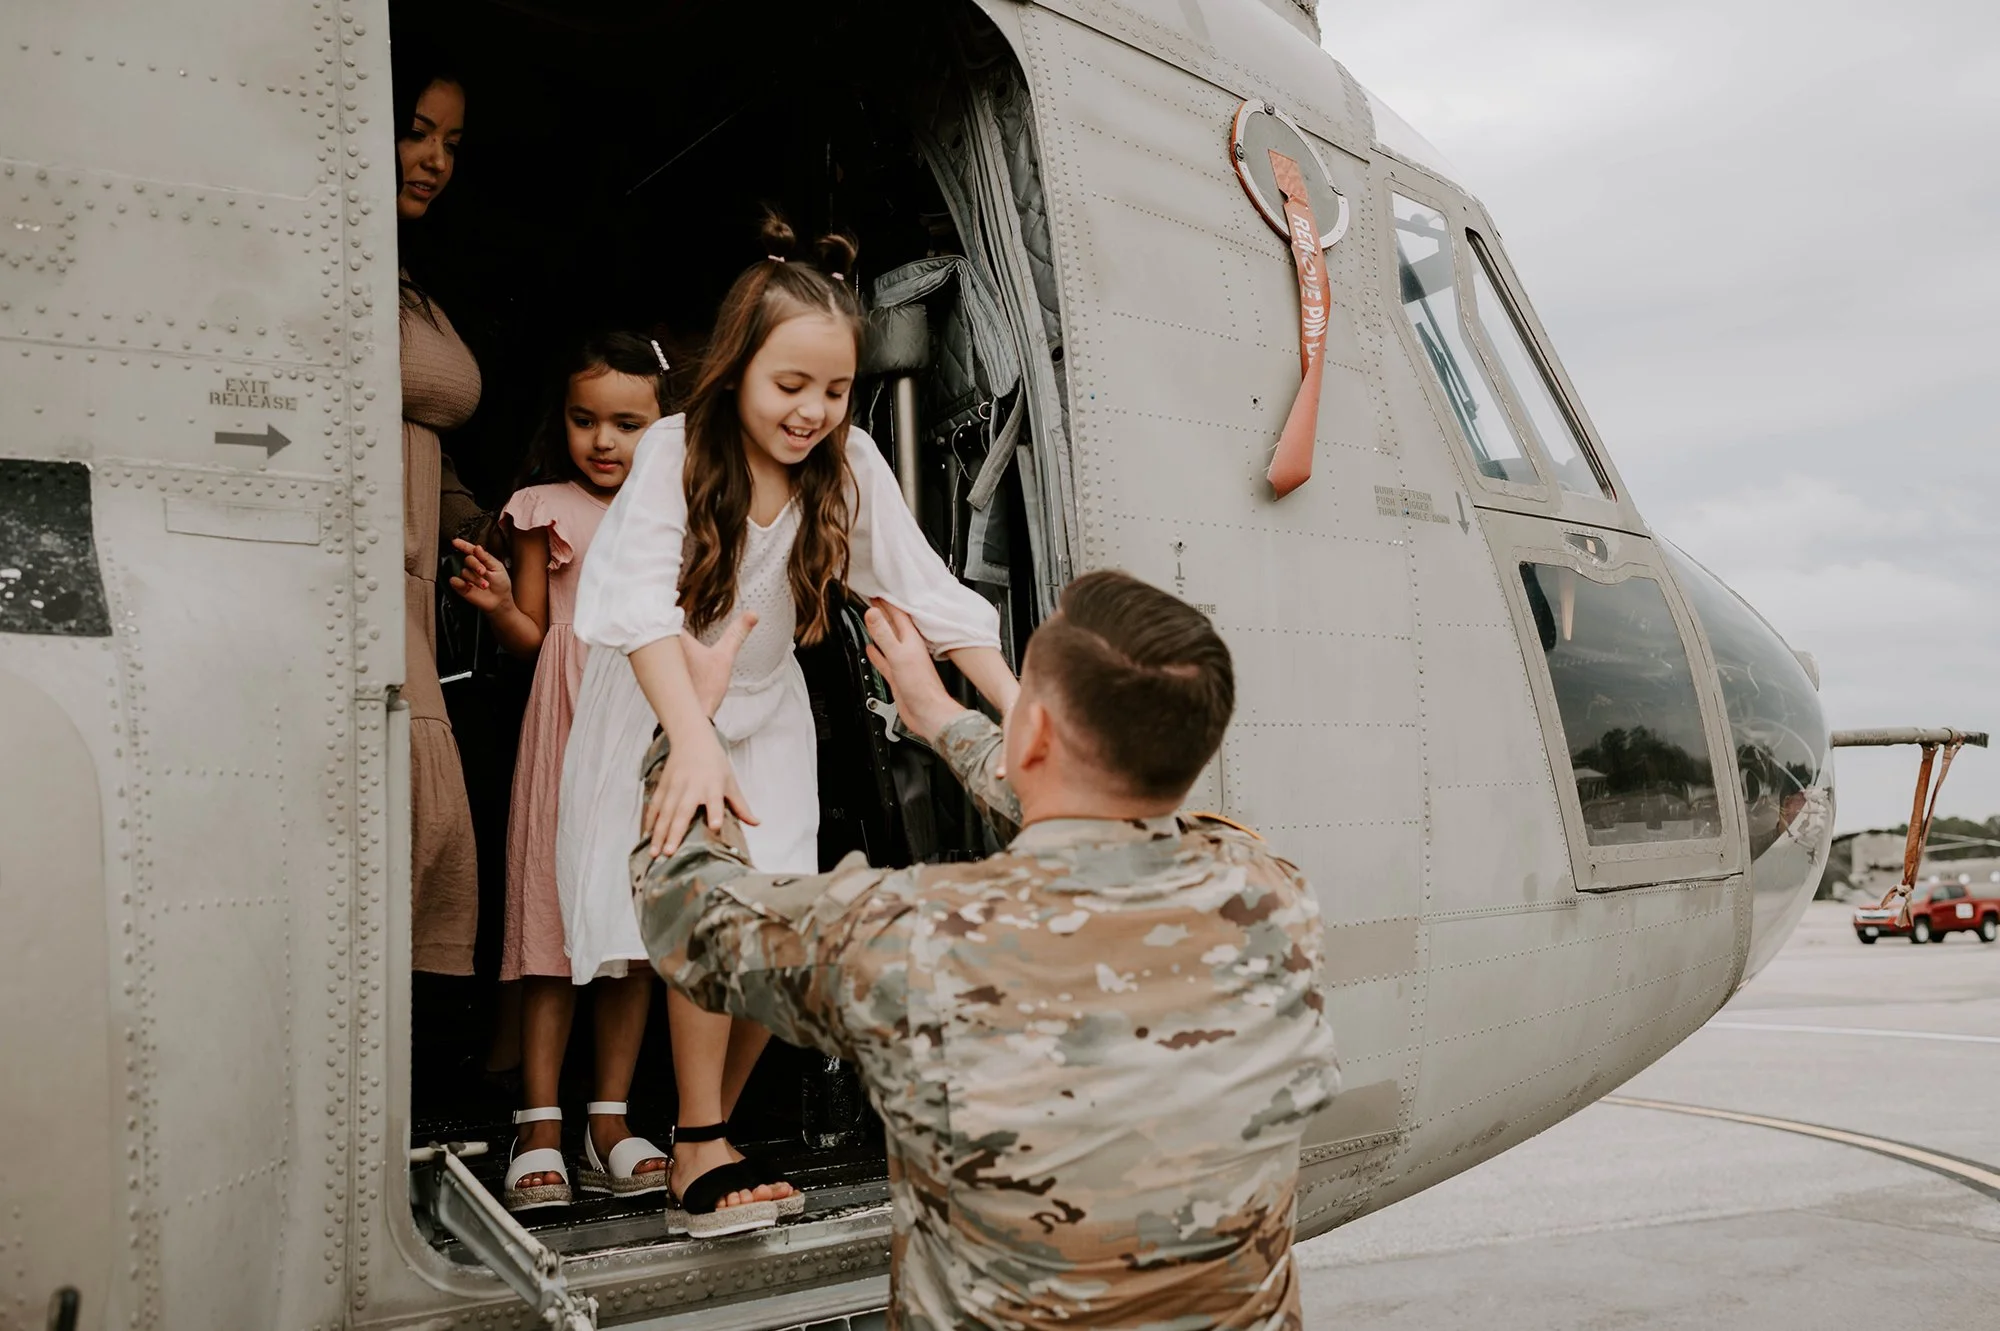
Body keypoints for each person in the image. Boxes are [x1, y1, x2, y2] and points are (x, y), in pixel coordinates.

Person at [633, 572, 1340, 1328]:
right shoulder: (1273, 899)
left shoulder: (921, 940)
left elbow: (688, 911)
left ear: (1030, 736)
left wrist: (689, 727)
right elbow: (1113, 816)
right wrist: (939, 714)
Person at [561, 215, 1019, 1236]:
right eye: (789, 386)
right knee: (708, 899)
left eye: (834, 389)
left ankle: (706, 1128)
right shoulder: (678, 450)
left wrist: (1026, 717)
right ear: (734, 370)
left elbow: (933, 600)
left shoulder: (847, 465)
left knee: (781, 940)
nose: (812, 411)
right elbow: (634, 606)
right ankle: (697, 1142)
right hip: (661, 702)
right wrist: (691, 737)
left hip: (763, 716)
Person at [447, 333, 729, 1211]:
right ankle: (539, 1123)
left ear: (667, 429)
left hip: (645, 723)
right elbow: (538, 639)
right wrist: (499, 607)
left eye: (628, 424)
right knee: (552, 915)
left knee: (631, 927)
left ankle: (609, 1119)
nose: (603, 441)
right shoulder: (543, 507)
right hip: (566, 725)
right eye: (584, 420)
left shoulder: (680, 513)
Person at [394, 45, 482, 976]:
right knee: (427, 818)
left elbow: (430, 449)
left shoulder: (406, 276)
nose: (435, 160)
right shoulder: (338, 268)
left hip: (418, 578)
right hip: (373, 582)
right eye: (416, 132)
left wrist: (493, 526)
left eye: (450, 142)